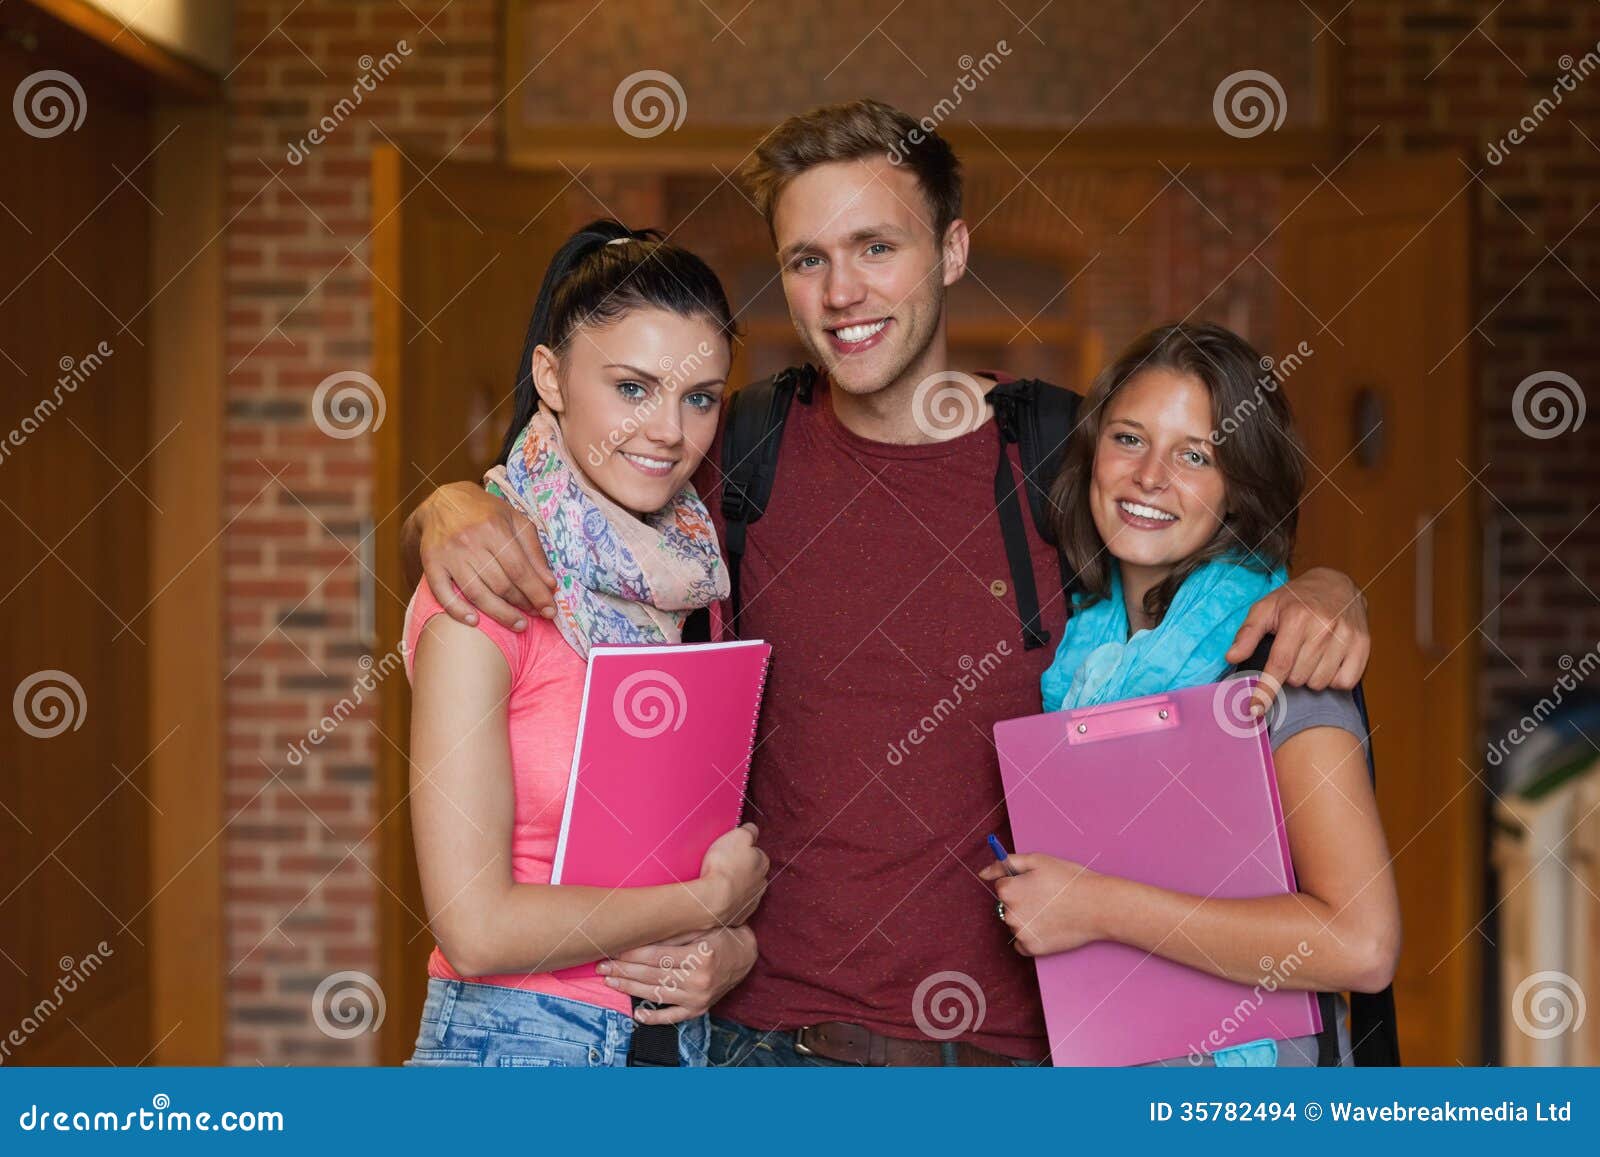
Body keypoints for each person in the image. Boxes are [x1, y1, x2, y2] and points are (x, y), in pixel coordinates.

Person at [401, 100, 1372, 1066]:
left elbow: (1210, 540)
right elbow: (570, 493)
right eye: (806, 259)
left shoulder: (1063, 454)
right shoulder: (729, 448)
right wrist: (446, 504)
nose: (841, 292)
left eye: (876, 247)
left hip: (1021, 1059)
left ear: (951, 249)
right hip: (761, 1049)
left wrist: (1328, 585)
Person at [981, 322, 1401, 1066]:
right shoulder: (1078, 652)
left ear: (1239, 493)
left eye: (1195, 455)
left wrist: (1095, 906)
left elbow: (1362, 943)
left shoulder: (1279, 660)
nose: (1150, 476)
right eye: (1129, 439)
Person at [402, 219, 769, 1067]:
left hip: (673, 1048)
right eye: (633, 388)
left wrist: (734, 945)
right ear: (551, 378)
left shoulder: (691, 585)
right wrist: (705, 899)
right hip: (514, 1047)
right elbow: (476, 926)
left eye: (700, 396)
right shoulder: (483, 589)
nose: (670, 431)